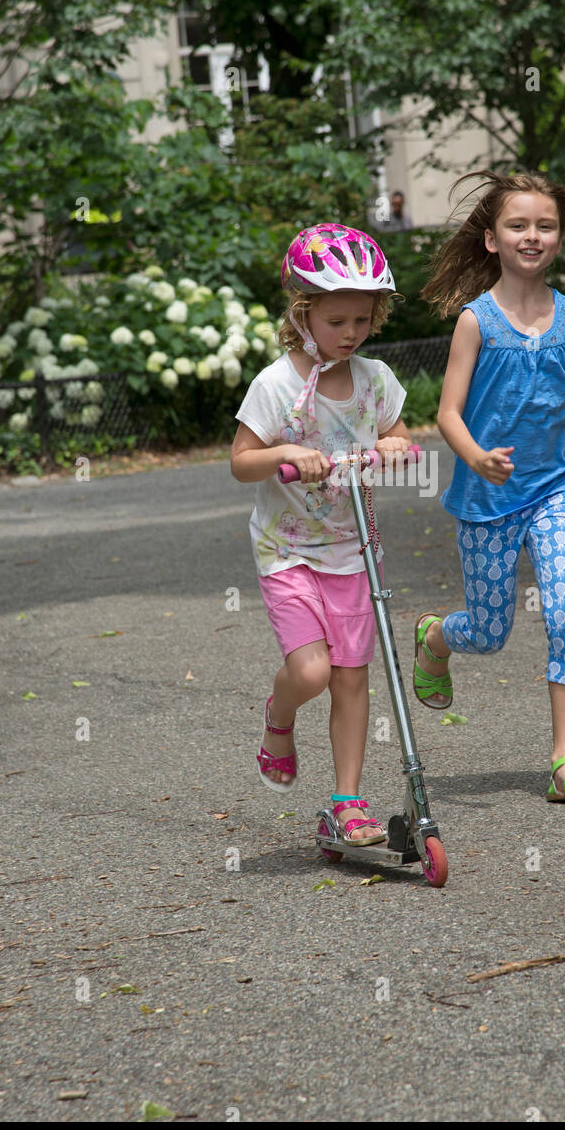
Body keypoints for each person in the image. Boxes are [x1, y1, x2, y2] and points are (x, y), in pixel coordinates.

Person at [412, 170, 565, 802]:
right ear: (491, 240)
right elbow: (447, 413)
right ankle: (436, 636)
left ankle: (564, 763)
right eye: (517, 225)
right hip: (486, 499)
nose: (532, 236)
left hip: (554, 488)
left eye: (545, 225)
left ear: (559, 236)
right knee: (489, 630)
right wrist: (476, 456)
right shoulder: (475, 322)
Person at [230, 224, 411, 843]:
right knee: (310, 674)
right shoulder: (275, 385)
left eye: (362, 319)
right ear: (303, 313)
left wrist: (394, 446)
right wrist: (287, 449)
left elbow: (398, 431)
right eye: (337, 320)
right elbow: (241, 462)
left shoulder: (375, 379)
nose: (352, 332)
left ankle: (347, 801)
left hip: (354, 551)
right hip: (287, 551)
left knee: (353, 676)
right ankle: (279, 720)